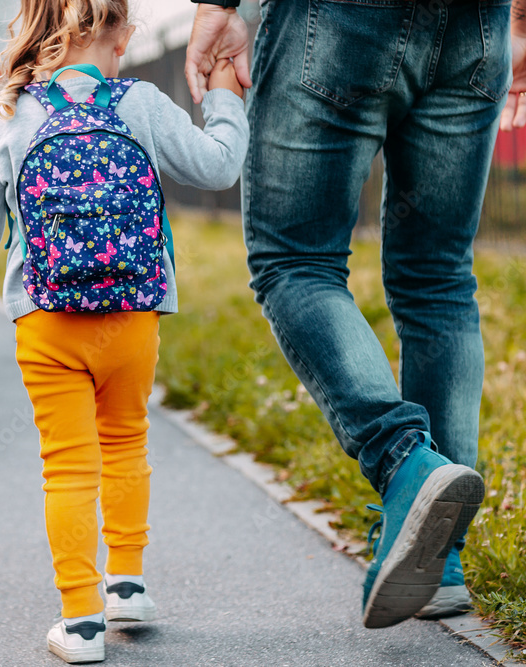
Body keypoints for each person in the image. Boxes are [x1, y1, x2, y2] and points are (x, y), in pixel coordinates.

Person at [184, 0, 526, 629]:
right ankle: (440, 561)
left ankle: (405, 460)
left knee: (295, 259)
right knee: (439, 275)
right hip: (478, 23)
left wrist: (217, 7)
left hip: (338, 20)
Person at [0, 0, 248, 661]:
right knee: (125, 441)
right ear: (117, 33)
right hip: (135, 312)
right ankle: (129, 586)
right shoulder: (139, 103)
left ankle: (81, 622)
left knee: (68, 464)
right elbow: (220, 166)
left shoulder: (11, 114)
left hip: (48, 321)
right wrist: (224, 96)